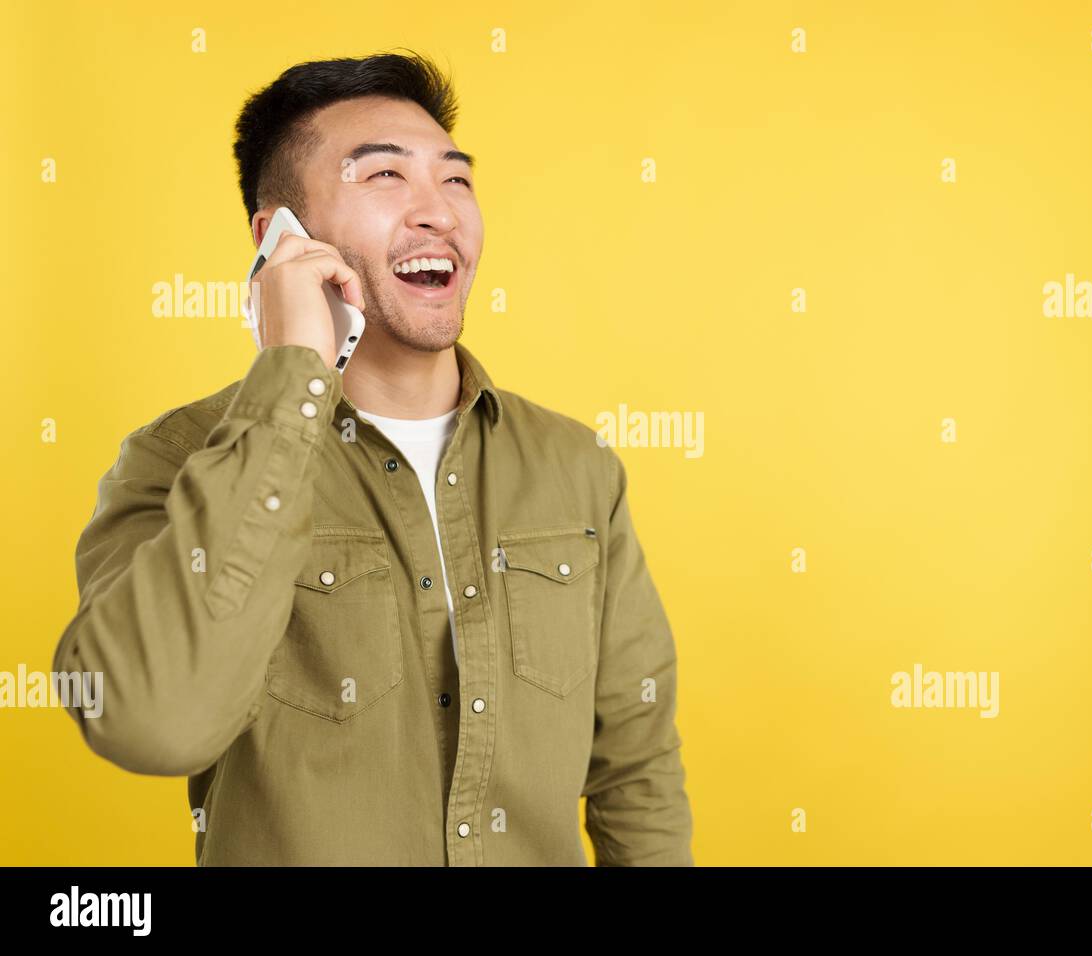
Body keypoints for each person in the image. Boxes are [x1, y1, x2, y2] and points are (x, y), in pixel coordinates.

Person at [52, 50, 693, 866]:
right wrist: (292, 376)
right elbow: (152, 721)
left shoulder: (576, 466)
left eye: (455, 179)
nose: (439, 212)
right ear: (279, 237)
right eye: (385, 176)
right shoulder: (176, 459)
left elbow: (636, 772)